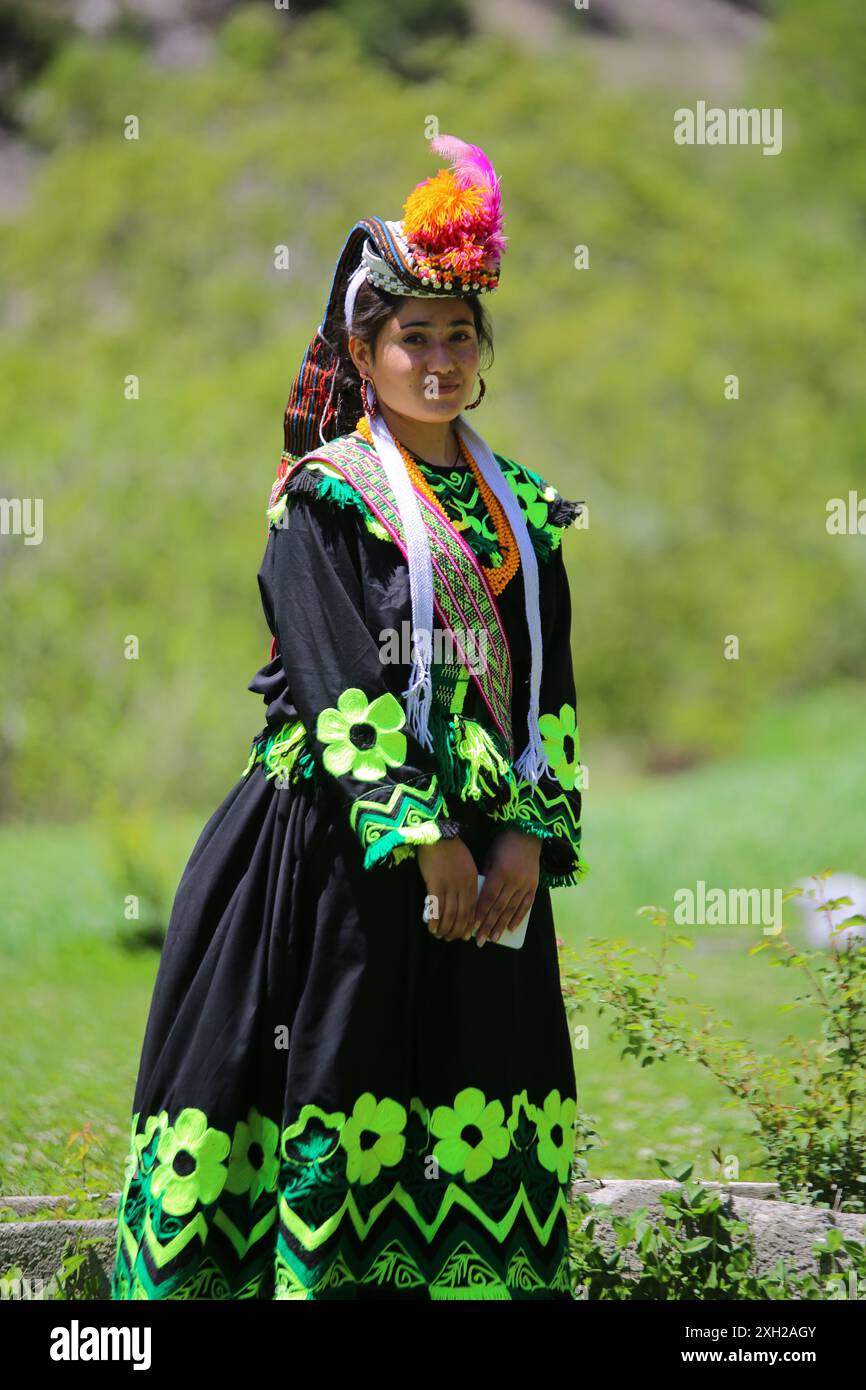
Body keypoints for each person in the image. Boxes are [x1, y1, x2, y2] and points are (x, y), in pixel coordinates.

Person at [111, 134, 588, 1302]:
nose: (437, 358)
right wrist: (424, 840)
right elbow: (338, 690)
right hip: (338, 856)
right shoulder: (324, 500)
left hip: (486, 863)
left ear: (481, 356)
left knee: (470, 1106)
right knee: (335, 1077)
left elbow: (550, 683)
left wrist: (523, 833)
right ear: (363, 353)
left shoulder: (520, 509)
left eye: (457, 336)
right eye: (410, 337)